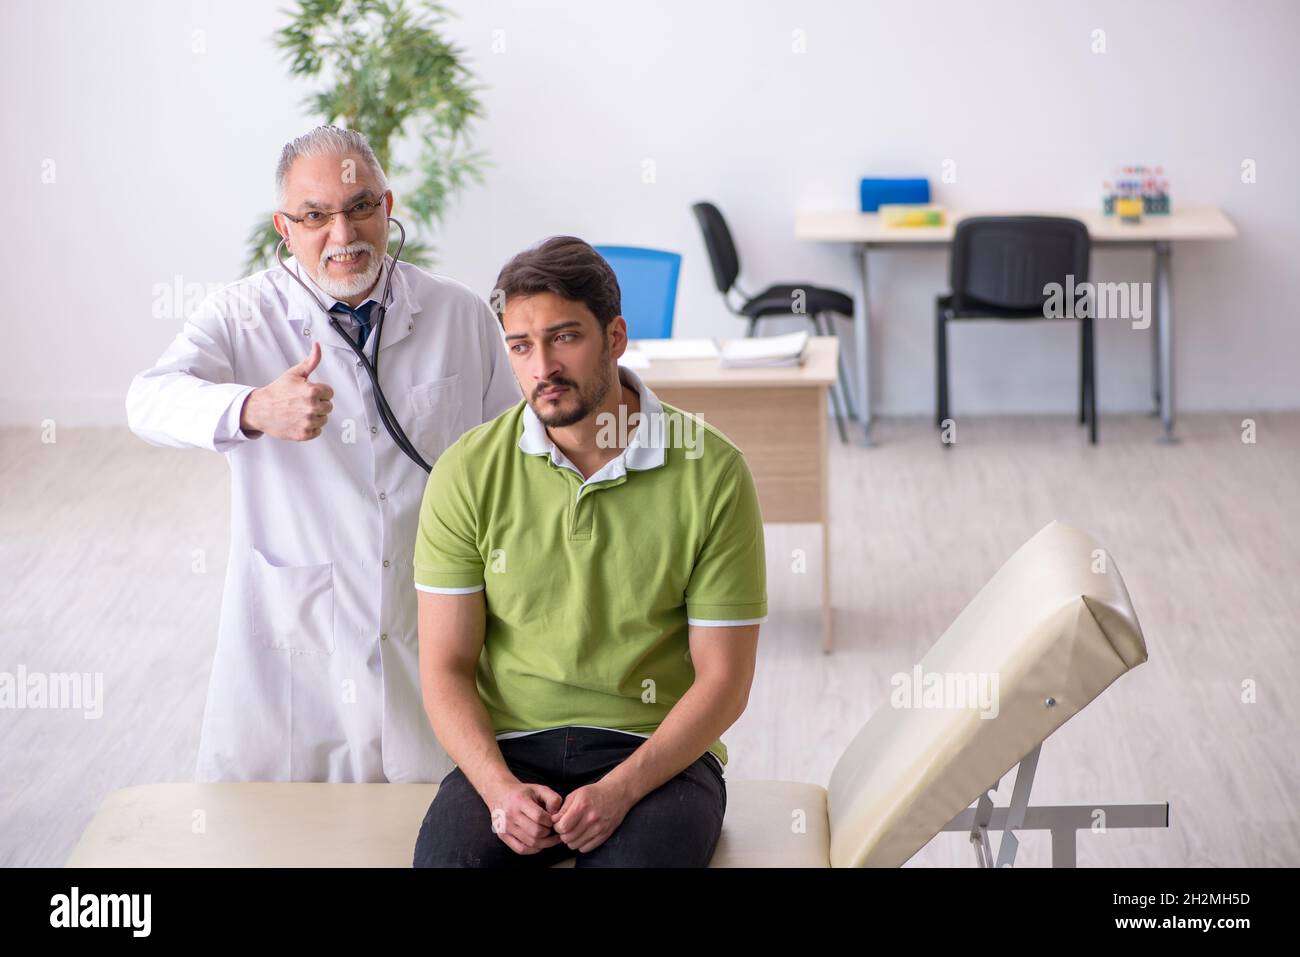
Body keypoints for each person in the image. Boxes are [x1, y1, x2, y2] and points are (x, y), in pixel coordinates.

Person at [125, 125, 521, 782]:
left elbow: (513, 457)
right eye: (316, 216)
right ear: (285, 228)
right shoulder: (241, 316)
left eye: (360, 206)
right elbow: (148, 400)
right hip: (297, 646)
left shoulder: (459, 313)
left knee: (428, 823)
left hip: (432, 624)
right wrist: (252, 408)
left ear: (388, 208)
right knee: (287, 836)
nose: (343, 234)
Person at [411, 236, 766, 866]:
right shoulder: (466, 472)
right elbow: (445, 666)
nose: (541, 365)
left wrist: (621, 788)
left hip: (655, 751)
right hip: (511, 750)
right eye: (520, 346)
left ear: (616, 336)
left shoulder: (712, 471)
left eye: (564, 337)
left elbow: (725, 680)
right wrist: (498, 790)